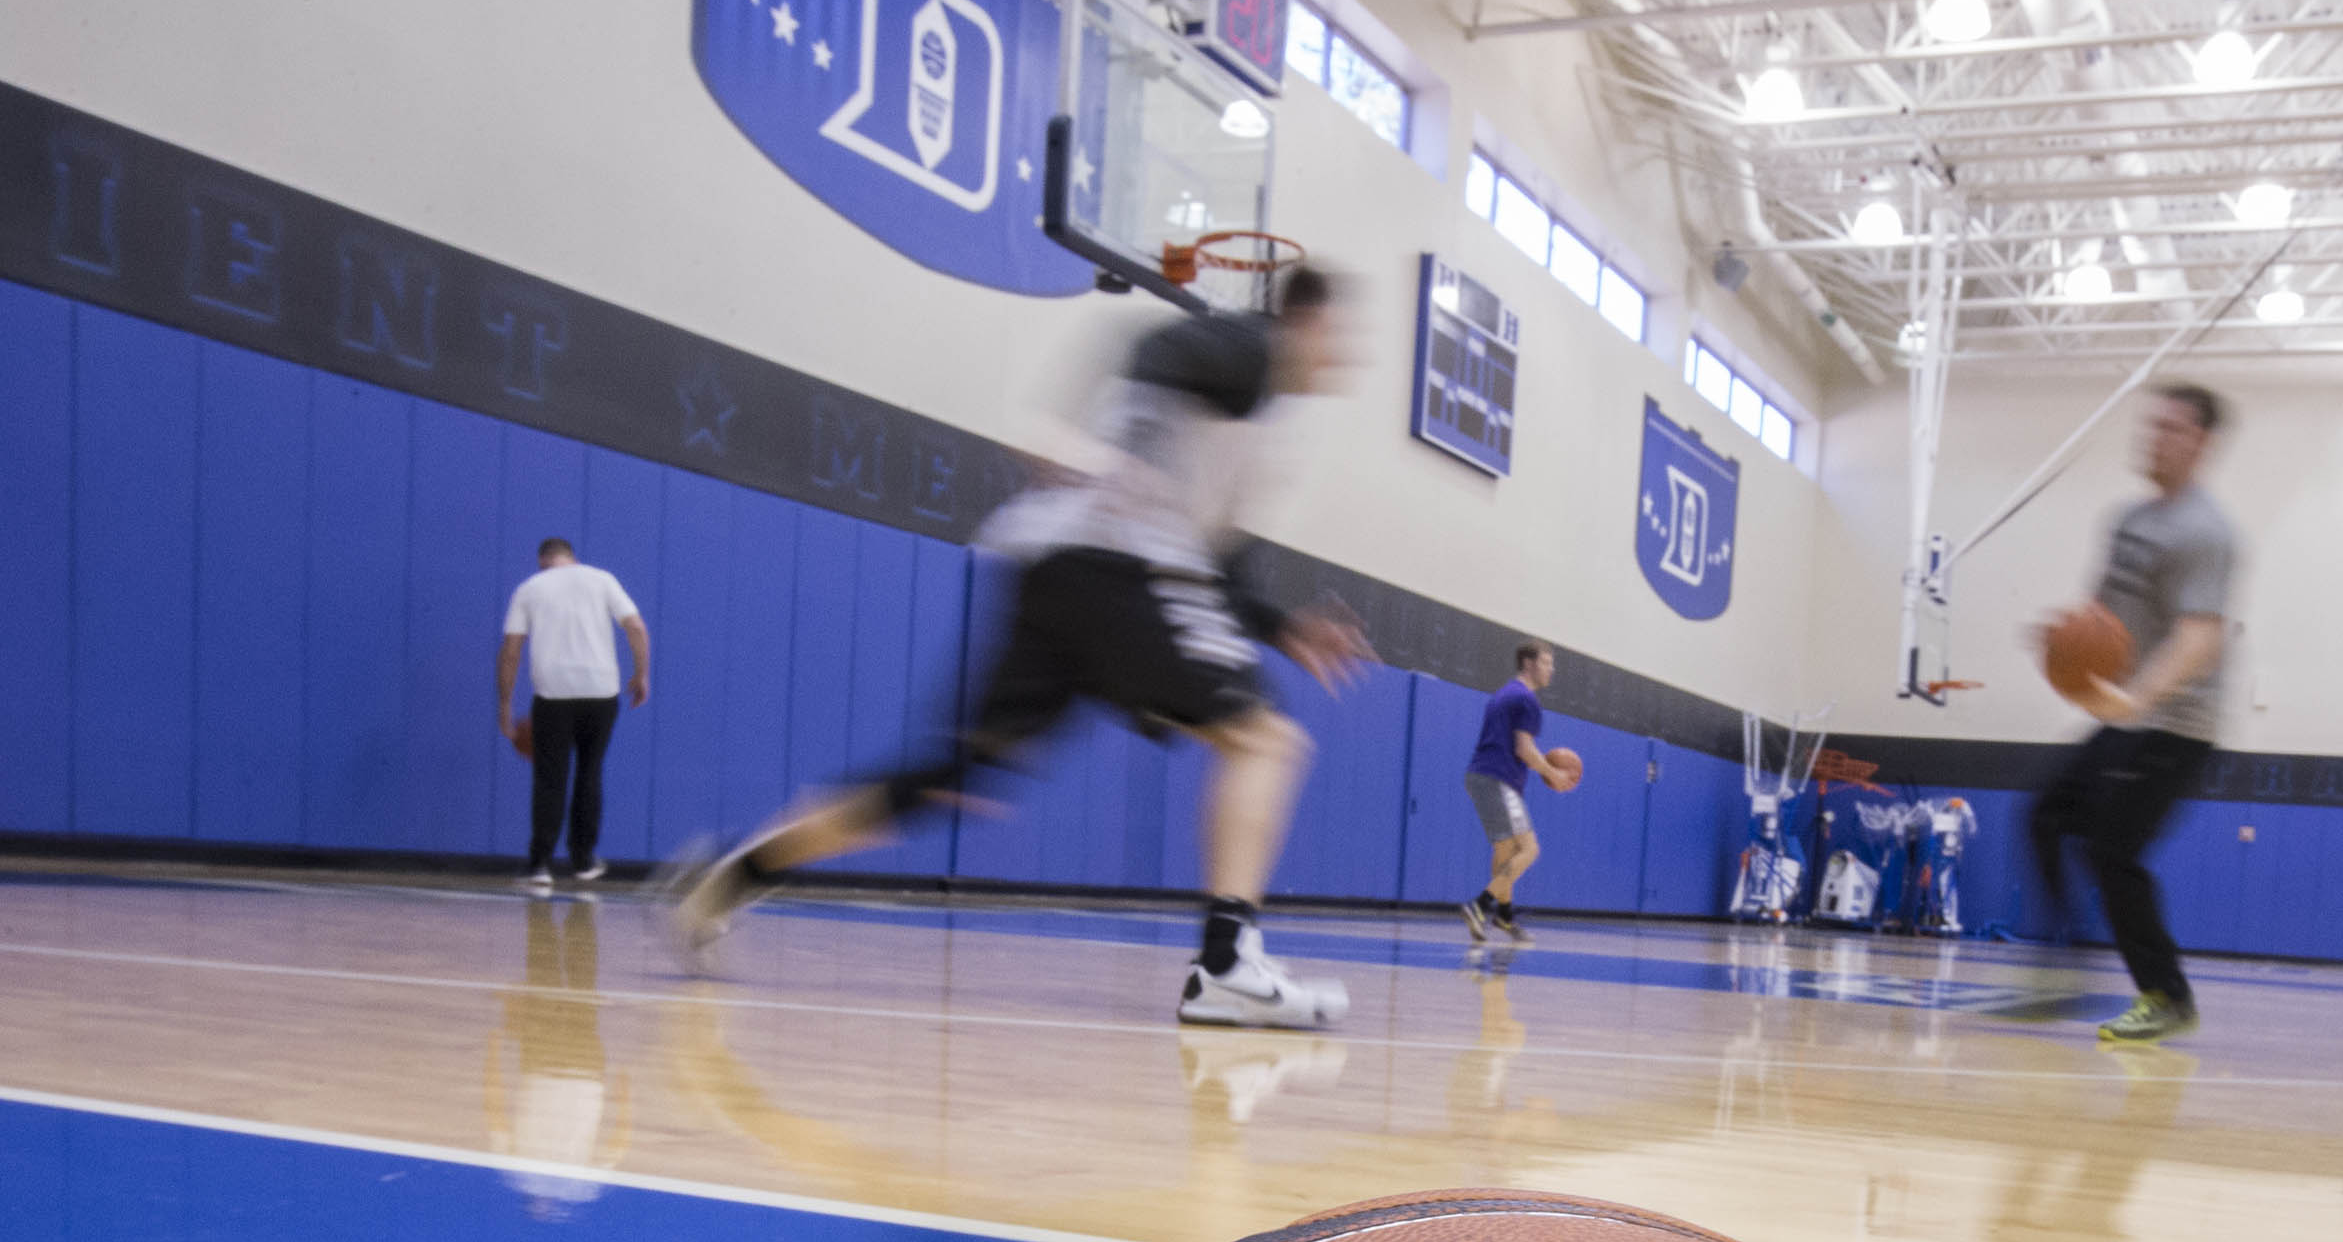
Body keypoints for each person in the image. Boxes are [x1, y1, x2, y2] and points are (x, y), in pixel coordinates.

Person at [665, 268, 1373, 1030]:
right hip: (1115, 564)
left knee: (951, 774)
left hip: (1060, 567)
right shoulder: (1253, 351)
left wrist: (1285, 629)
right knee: (1267, 741)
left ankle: (730, 875)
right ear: (1306, 321)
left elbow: (1218, 574)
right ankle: (1228, 964)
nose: (1346, 353)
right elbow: (1160, 343)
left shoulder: (1247, 427)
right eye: (1340, 332)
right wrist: (1068, 435)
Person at [2026, 382, 2238, 1044]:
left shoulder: (2205, 532)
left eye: (2172, 428)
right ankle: (2061, 959)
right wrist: (2065, 648)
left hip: (2177, 725)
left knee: (2115, 851)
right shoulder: (2128, 521)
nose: (2155, 436)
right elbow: (2105, 627)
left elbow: (2201, 638)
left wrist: (2138, 697)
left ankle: (2167, 996)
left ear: (2200, 443)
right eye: (2153, 424)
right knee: (2046, 814)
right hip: (2126, 716)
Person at [498, 537, 650, 892]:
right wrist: (640, 674)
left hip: (554, 695)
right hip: (601, 693)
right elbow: (637, 627)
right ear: (571, 557)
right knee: (589, 772)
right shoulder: (602, 579)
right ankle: (583, 861)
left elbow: (510, 651)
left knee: (551, 778)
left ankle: (540, 865)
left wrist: (505, 704)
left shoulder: (530, 588)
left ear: (542, 561)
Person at [1460, 641, 1573, 942]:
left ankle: (1505, 916)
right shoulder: (1527, 700)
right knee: (1529, 849)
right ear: (1528, 663)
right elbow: (1524, 749)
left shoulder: (1503, 694)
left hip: (1480, 776)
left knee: (1506, 851)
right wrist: (1554, 774)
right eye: (1547, 662)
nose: (1552, 669)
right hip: (1498, 780)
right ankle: (1480, 905)